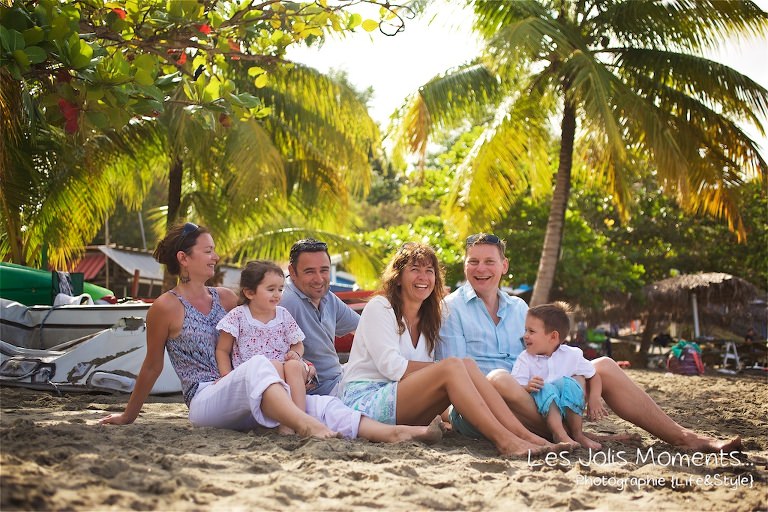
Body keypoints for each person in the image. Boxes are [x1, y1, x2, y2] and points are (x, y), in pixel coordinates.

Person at [99, 223, 445, 446]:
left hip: (256, 390)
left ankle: (396, 433)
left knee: (324, 404)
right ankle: (304, 425)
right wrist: (129, 415)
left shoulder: (227, 298)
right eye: (208, 251)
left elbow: (265, 335)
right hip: (207, 398)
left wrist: (298, 361)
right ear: (183, 259)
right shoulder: (165, 307)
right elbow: (152, 367)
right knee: (260, 368)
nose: (216, 256)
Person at [439, 232, 741, 452]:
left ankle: (682, 436)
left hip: (532, 398)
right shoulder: (451, 308)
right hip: (484, 408)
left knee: (603, 365)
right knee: (500, 377)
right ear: (465, 266)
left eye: (489, 261)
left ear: (504, 266)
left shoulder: (519, 307)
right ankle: (566, 431)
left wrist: (565, 379)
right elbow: (459, 378)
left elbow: (542, 354)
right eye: (473, 261)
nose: (481, 269)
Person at [339, 242, 564, 457]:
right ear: (398, 277)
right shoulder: (381, 307)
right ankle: (506, 441)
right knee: (454, 365)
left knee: (465, 364)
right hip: (366, 402)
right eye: (414, 270)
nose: (423, 277)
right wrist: (446, 368)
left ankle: (524, 435)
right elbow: (392, 367)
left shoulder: (429, 319)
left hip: (405, 405)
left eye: (429, 271)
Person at [215, 260, 316, 425]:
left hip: (289, 369)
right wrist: (226, 377)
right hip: (257, 374)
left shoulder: (283, 314)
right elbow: (222, 350)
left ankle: (299, 418)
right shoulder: (238, 316)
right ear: (250, 293)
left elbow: (297, 343)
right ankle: (287, 420)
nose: (277, 294)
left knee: (293, 365)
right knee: (273, 366)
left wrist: (295, 353)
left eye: (280, 289)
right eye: (271, 289)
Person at [512, 302, 605, 450]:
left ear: (553, 337)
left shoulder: (572, 355)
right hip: (541, 414)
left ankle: (578, 434)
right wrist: (528, 387)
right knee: (545, 387)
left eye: (531, 331)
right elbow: (515, 387)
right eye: (525, 330)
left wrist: (594, 398)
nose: (525, 335)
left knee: (570, 383)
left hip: (568, 411)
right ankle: (559, 434)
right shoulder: (525, 359)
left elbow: (593, 376)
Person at [280, 239, 359, 396]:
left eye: (324, 270)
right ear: (292, 272)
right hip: (321, 392)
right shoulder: (285, 302)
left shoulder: (327, 297)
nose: (319, 279)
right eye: (309, 271)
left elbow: (365, 330)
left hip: (340, 380)